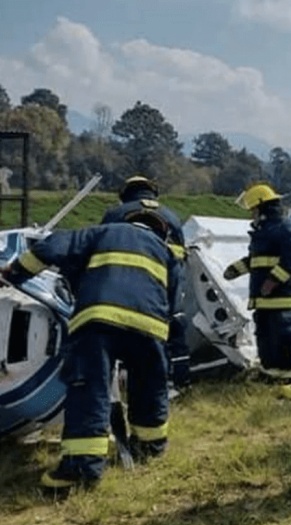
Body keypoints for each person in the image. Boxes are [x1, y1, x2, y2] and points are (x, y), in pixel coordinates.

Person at [0, 215, 181, 493]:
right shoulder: (165, 251)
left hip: (99, 320)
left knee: (90, 389)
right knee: (149, 386)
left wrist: (14, 272)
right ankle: (150, 448)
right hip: (149, 325)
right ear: (161, 231)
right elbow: (172, 297)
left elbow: (53, 247)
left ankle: (82, 469)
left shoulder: (104, 231)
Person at [101, 175, 191, 390]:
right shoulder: (171, 216)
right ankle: (180, 380)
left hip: (124, 284)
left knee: (119, 331)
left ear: (125, 194)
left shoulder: (115, 214)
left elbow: (101, 247)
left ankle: (119, 383)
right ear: (152, 192)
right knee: (174, 328)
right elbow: (180, 256)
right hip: (166, 282)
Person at [224, 183, 291, 399]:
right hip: (264, 301)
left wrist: (272, 281)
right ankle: (270, 374)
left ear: (262, 208)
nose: (251, 215)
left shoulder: (287, 229)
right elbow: (257, 261)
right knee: (266, 339)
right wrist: (237, 269)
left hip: (285, 300)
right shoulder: (262, 233)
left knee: (286, 339)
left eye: (253, 210)